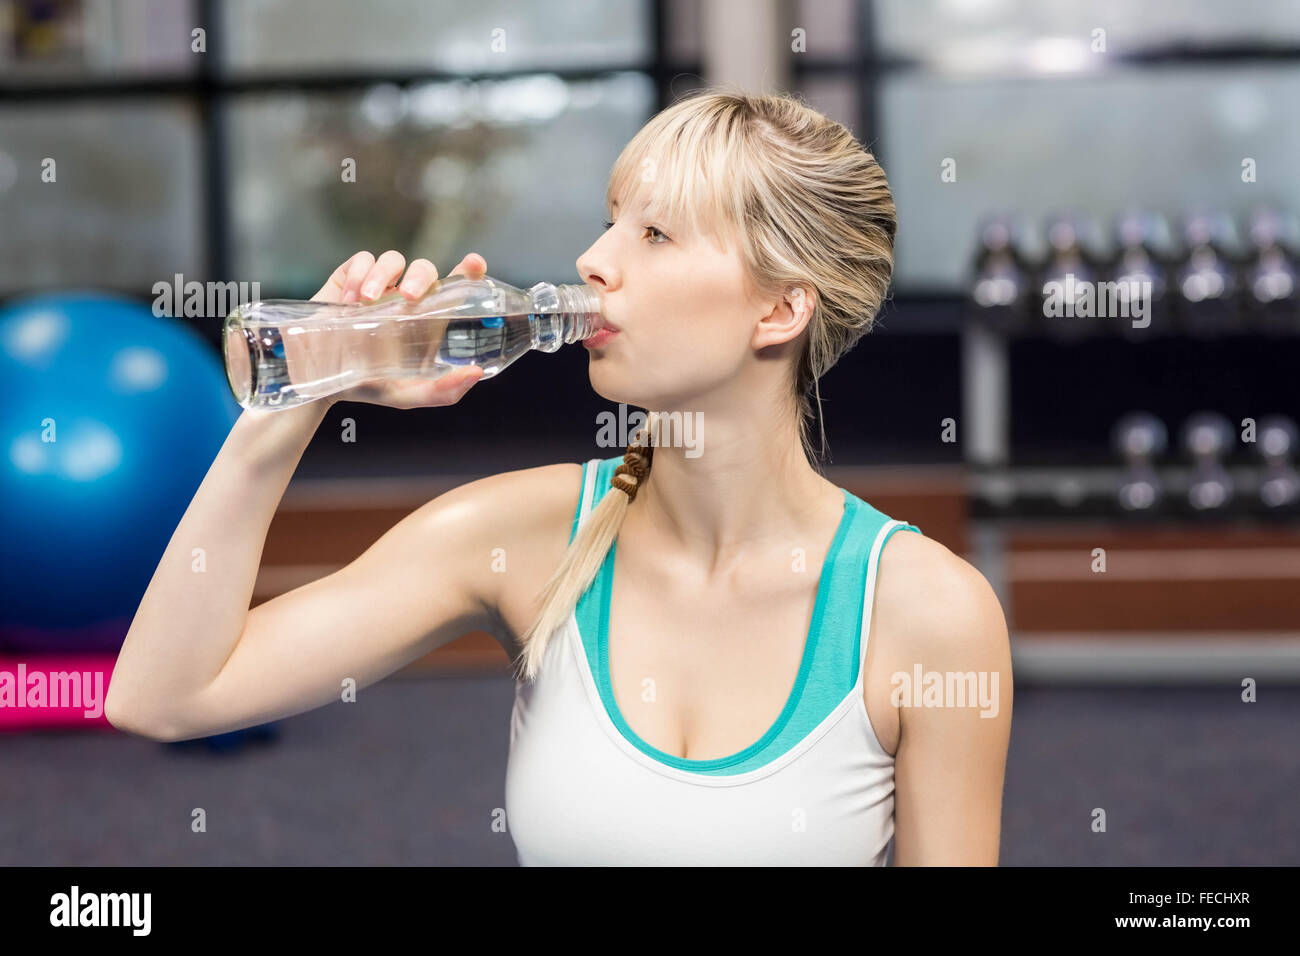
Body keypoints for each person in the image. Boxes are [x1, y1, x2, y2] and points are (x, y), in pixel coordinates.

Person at [106, 88, 1012, 866]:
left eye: (654, 233)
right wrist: (302, 395)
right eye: (612, 218)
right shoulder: (521, 537)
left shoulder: (927, 613)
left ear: (779, 309)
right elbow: (165, 698)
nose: (594, 260)